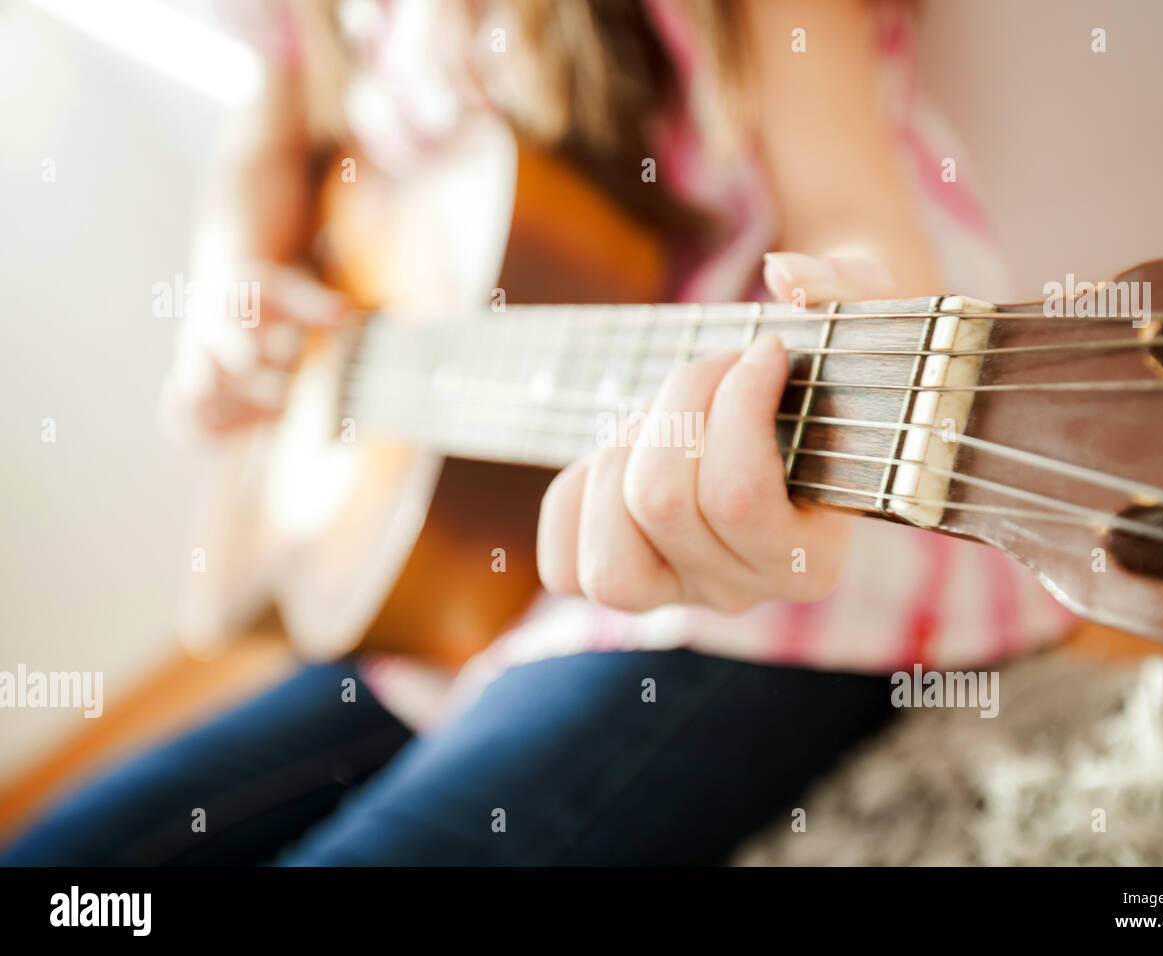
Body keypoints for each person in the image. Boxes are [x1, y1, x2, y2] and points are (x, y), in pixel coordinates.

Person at [1, 0, 1069, 866]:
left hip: (741, 550)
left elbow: (852, 215)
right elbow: (265, 142)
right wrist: (232, 282)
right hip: (464, 565)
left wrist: (858, 325)